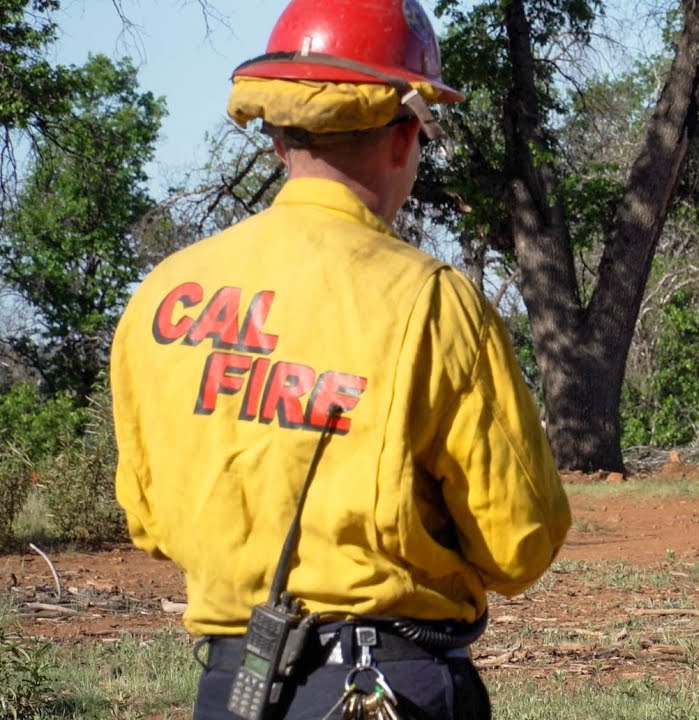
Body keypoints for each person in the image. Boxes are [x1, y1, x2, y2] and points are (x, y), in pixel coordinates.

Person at [110, 1, 571, 718]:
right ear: (404, 135)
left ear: (278, 138)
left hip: (234, 687)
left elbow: (149, 521)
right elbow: (520, 543)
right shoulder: (430, 301)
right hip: (380, 688)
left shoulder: (165, 291)